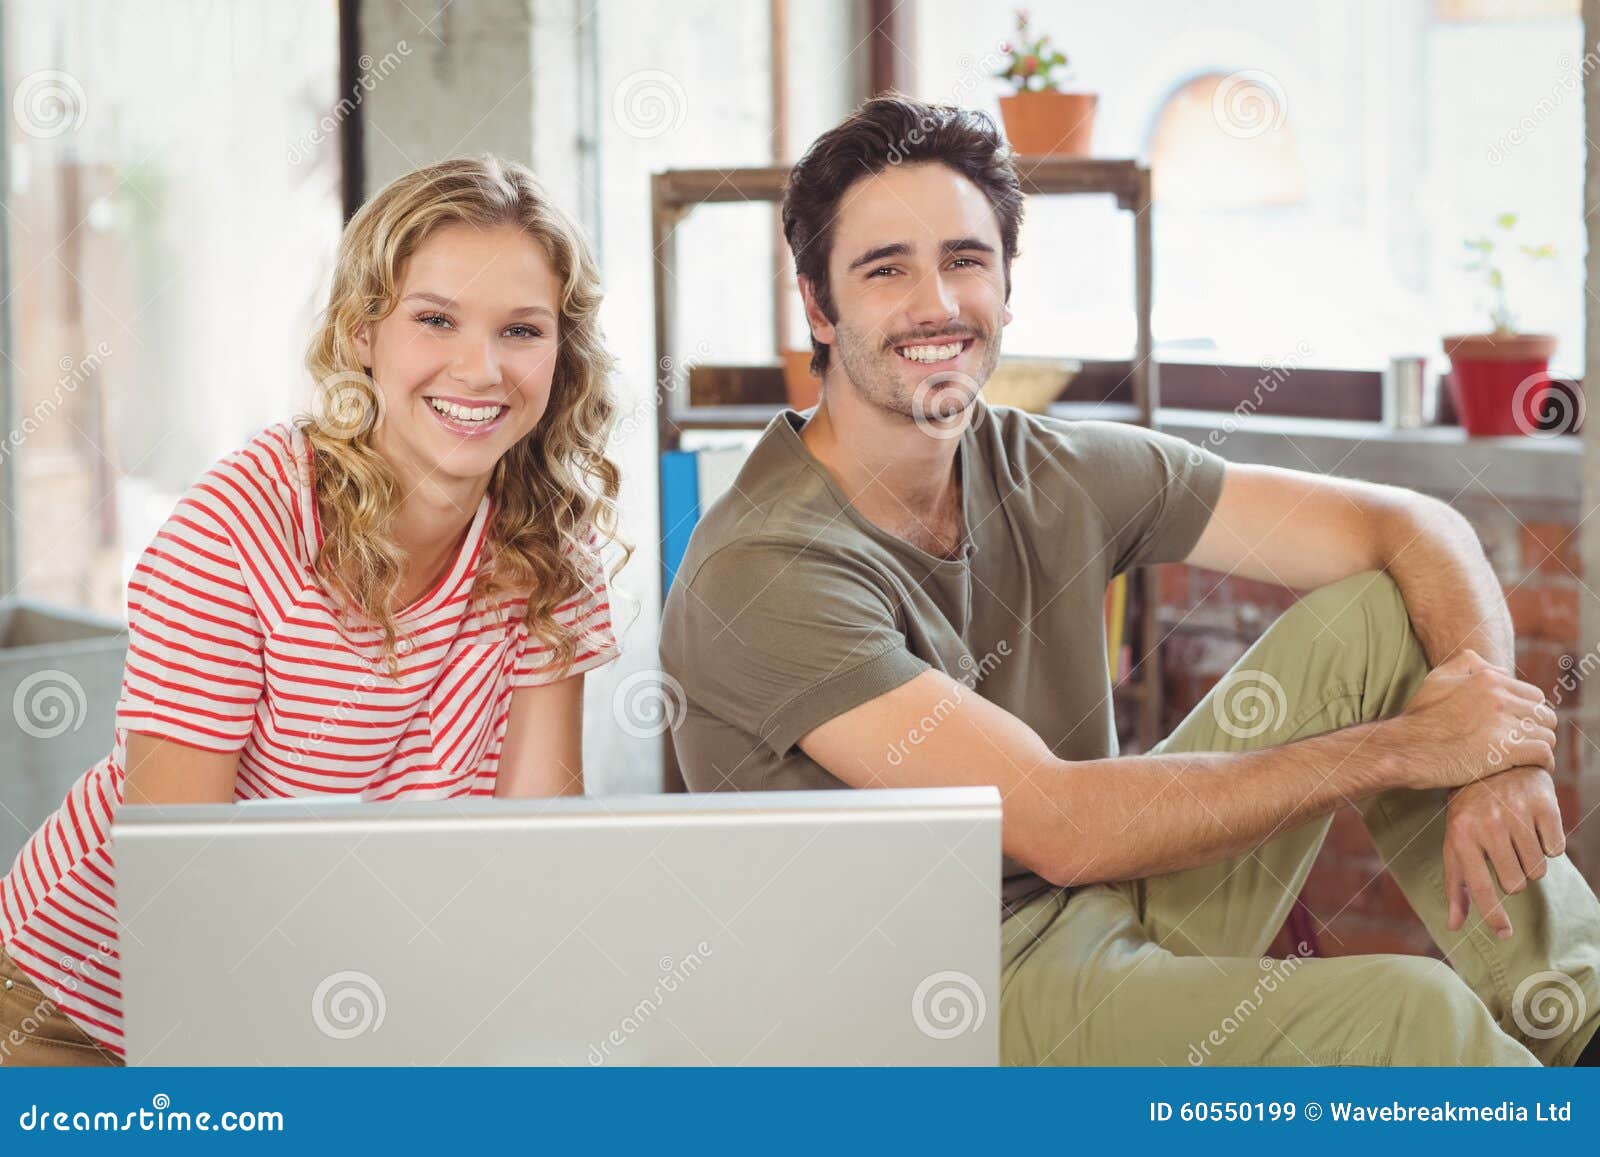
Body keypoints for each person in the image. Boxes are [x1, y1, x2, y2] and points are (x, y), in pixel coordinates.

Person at [659, 94, 1600, 1066]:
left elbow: (1412, 522)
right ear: (818, 305)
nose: (935, 302)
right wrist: (1405, 748)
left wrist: (1495, 748)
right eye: (885, 268)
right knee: (1411, 1015)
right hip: (934, 1006)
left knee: (1376, 614)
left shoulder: (1048, 467)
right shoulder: (763, 566)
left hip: (1097, 909)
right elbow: (1059, 824)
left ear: (1008, 287)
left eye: (964, 260)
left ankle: (1579, 1022)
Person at [0, 155, 625, 1066]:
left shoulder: (549, 552)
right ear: (365, 330)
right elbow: (184, 892)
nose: (481, 368)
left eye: (521, 329)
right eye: (435, 319)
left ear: (561, 355)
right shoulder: (241, 525)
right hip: (80, 1010)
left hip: (350, 1005)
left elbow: (530, 861)